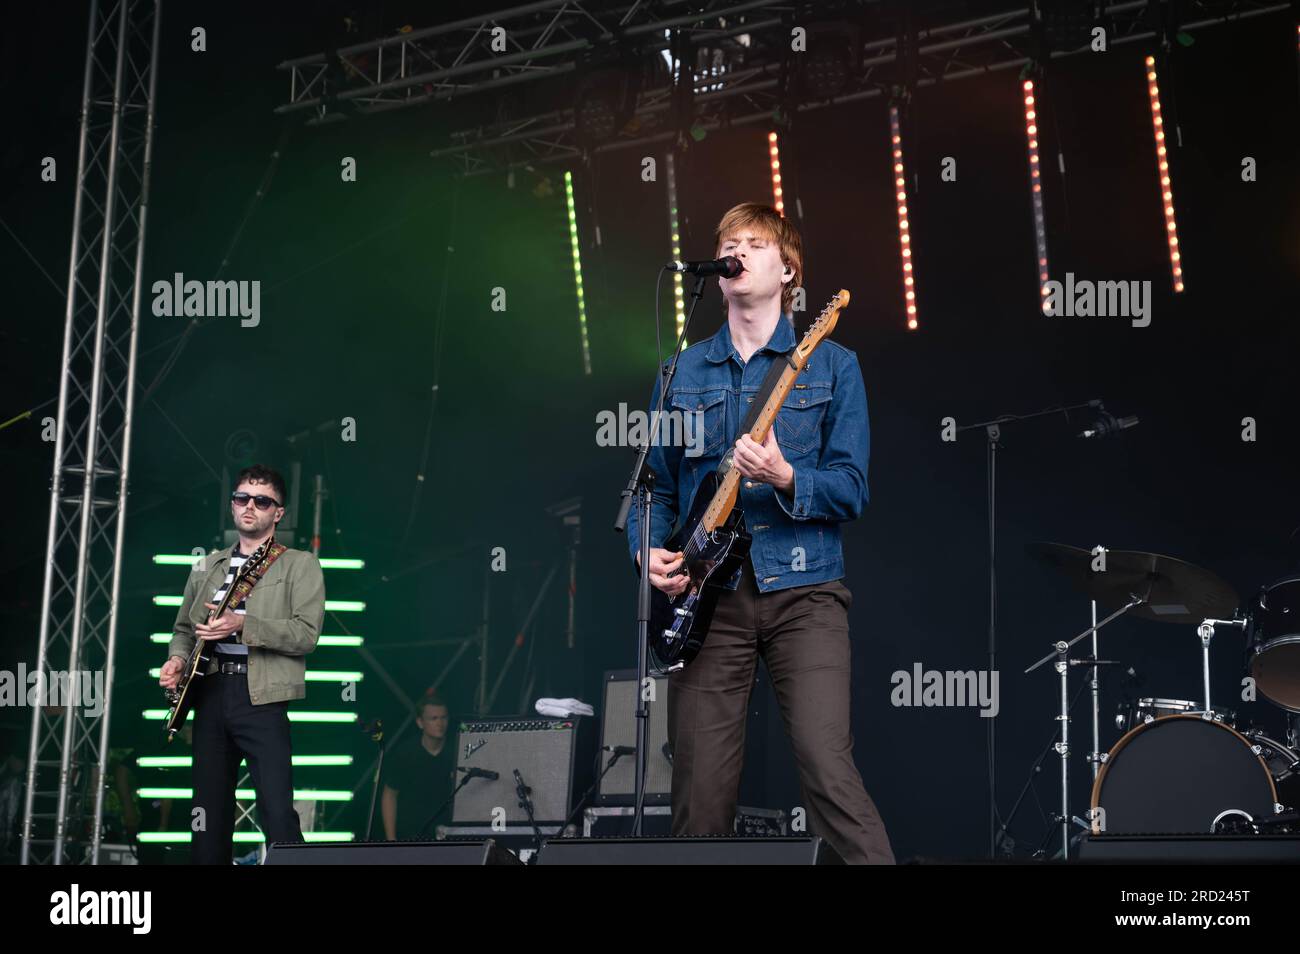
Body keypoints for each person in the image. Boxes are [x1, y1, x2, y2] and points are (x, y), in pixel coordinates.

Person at [627, 202, 895, 864]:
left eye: (754, 242)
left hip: (805, 592)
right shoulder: (680, 373)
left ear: (788, 270)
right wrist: (645, 550)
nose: (737, 251)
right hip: (704, 604)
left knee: (827, 769)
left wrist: (783, 475)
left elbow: (851, 488)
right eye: (728, 244)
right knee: (699, 796)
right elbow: (652, 488)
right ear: (718, 273)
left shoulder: (832, 366)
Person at [159, 464, 325, 864]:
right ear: (232, 505)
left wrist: (242, 623)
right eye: (242, 498)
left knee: (278, 811)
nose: (250, 506)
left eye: (262, 500)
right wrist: (177, 660)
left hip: (262, 695)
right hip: (211, 692)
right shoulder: (206, 565)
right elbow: (183, 628)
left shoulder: (299, 564)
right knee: (208, 813)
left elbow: (306, 635)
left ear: (278, 512)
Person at [382, 695, 456, 840]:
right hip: (411, 835)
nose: (440, 723)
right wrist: (391, 840)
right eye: (433, 718)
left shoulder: (457, 750)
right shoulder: (405, 753)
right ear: (420, 722)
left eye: (444, 717)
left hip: (450, 835)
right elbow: (389, 795)